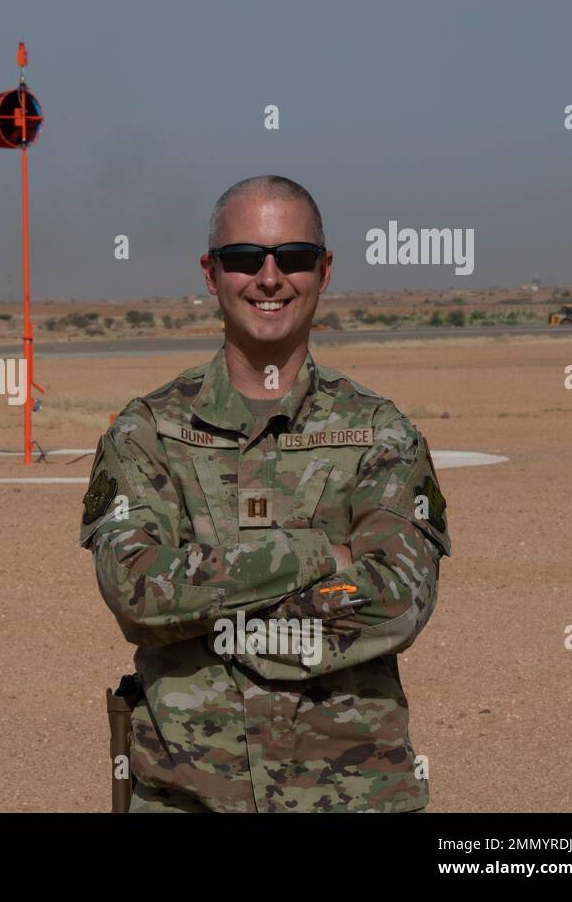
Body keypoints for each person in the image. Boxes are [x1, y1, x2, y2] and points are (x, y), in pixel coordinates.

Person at [80, 175, 451, 812]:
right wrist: (319, 557)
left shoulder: (381, 433)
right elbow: (137, 592)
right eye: (246, 258)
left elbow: (397, 597)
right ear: (211, 273)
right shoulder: (148, 432)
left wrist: (210, 624)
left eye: (295, 257)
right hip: (188, 800)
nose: (270, 277)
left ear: (324, 270)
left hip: (354, 799)